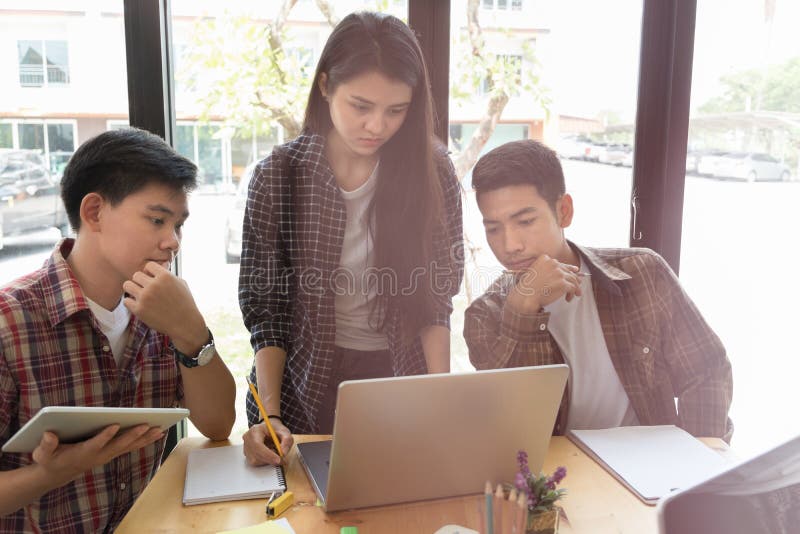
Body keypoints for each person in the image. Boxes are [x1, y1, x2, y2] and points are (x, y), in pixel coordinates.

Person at [240, 11, 463, 465]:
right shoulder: (278, 176)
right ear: (325, 86)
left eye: (396, 110)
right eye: (361, 106)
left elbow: (435, 299)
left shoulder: (433, 171)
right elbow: (268, 310)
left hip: (399, 374)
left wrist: (442, 397)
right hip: (305, 381)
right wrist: (272, 414)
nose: (377, 126)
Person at [0, 128, 237, 531]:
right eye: (158, 219)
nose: (173, 241)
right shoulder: (11, 321)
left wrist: (192, 332)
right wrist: (51, 473)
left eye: (179, 225)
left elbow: (217, 425)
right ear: (93, 212)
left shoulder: (163, 307)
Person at [464, 139, 733, 440]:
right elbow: (512, 428)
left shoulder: (642, 273)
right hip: (555, 479)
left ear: (564, 211)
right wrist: (522, 309)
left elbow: (706, 371)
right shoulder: (484, 316)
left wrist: (695, 459)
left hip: (653, 466)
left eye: (525, 221)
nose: (510, 245)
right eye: (493, 228)